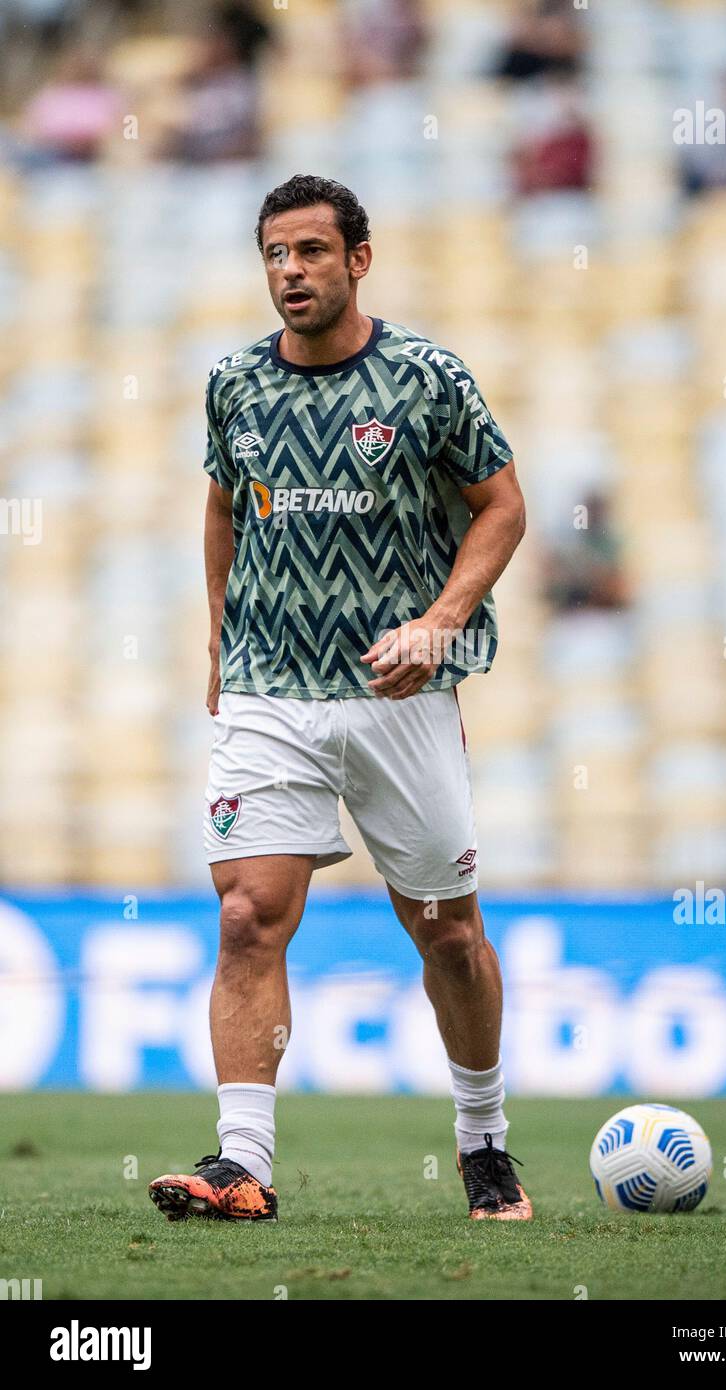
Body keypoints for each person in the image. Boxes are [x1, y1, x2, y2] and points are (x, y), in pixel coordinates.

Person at [148, 175, 530, 1223]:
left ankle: (484, 1140)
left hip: (396, 690)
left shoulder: (424, 378)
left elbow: (501, 506)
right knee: (246, 917)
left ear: (359, 259)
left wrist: (442, 619)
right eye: (275, 254)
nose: (291, 272)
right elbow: (224, 505)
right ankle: (241, 1162)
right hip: (272, 688)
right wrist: (221, 634)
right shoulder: (234, 384)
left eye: (313, 251)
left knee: (449, 934)